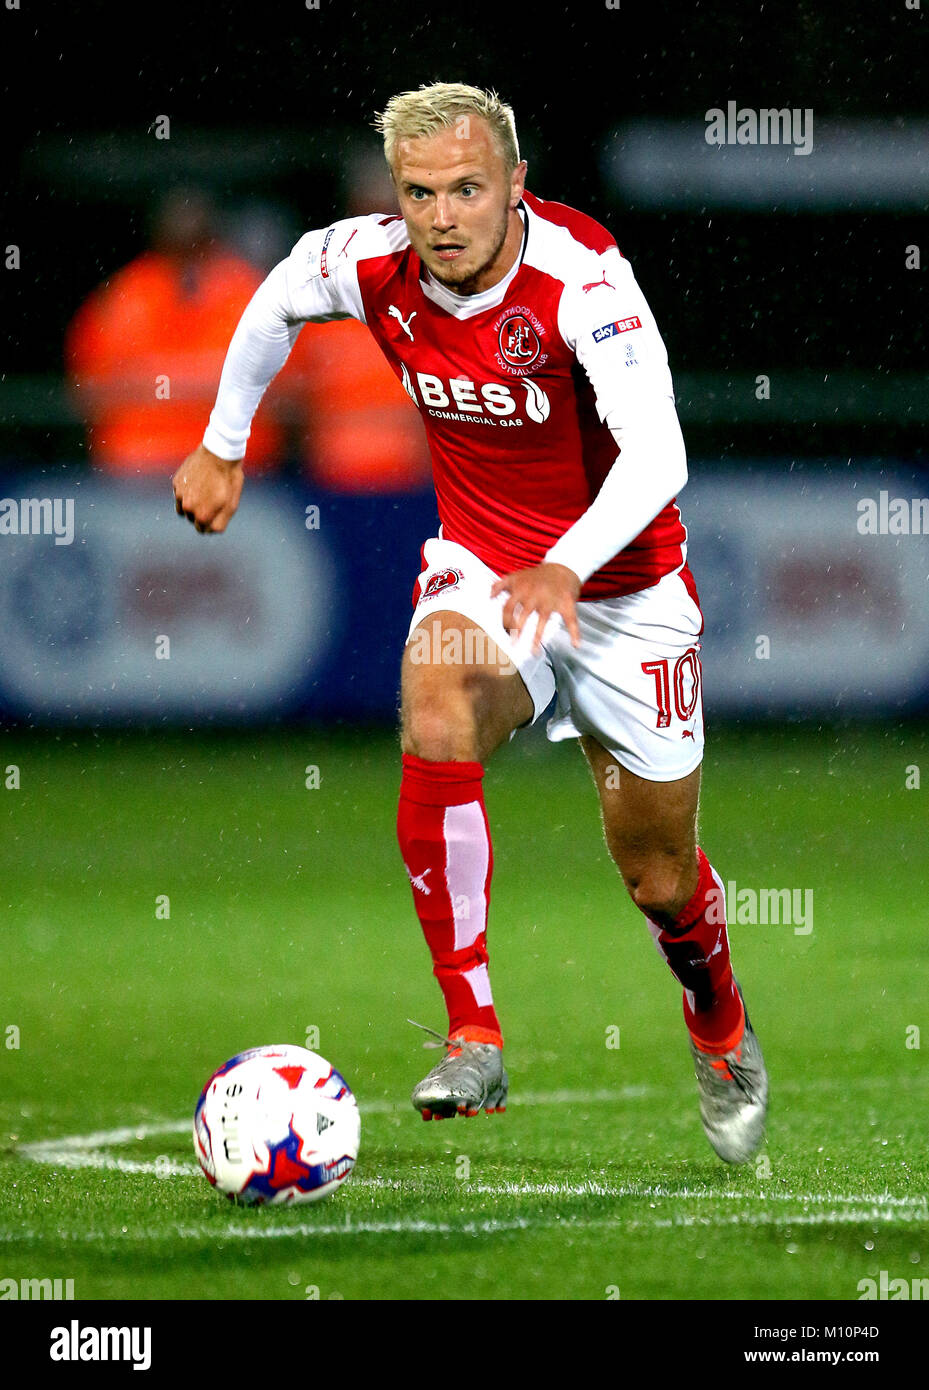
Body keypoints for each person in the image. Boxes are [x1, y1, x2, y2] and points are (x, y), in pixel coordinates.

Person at [172, 82, 768, 1163]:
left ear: (514, 186)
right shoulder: (365, 262)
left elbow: (660, 456)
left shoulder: (582, 281)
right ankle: (472, 1028)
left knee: (659, 878)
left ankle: (717, 1019)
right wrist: (222, 441)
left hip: (625, 595)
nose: (440, 216)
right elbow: (270, 301)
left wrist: (568, 564)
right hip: (486, 571)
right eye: (417, 193)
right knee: (436, 702)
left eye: (464, 189)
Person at [66, 187, 297, 474]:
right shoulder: (123, 298)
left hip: (235, 468)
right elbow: (88, 389)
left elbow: (289, 386)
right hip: (139, 470)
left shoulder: (249, 292)